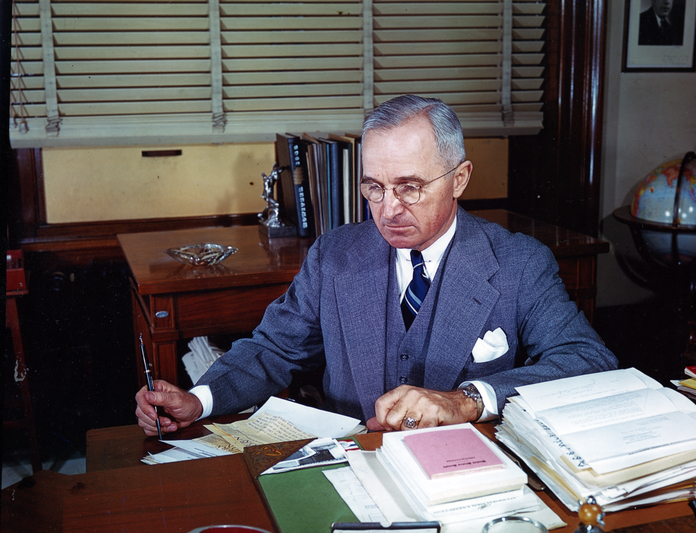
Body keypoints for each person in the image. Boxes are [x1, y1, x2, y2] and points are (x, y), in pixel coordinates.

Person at [135, 95, 618, 436]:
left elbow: (589, 360)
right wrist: (199, 400)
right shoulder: (334, 255)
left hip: (465, 470)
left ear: (460, 179)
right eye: (374, 188)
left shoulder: (517, 262)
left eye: (410, 186)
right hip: (353, 463)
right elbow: (273, 349)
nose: (388, 209)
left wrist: (466, 399)